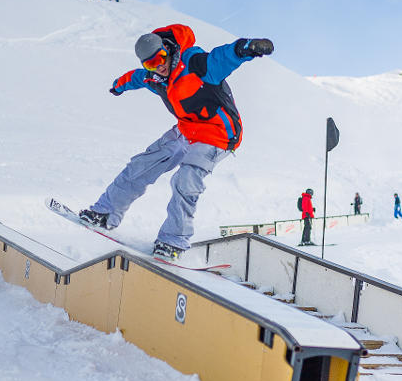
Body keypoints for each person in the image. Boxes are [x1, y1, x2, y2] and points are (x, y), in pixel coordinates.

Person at [79, 24, 274, 258]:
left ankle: (174, 240)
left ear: (168, 50)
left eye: (161, 58)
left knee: (185, 180)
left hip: (218, 133)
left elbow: (223, 57)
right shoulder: (155, 77)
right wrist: (118, 86)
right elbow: (135, 78)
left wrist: (247, 47)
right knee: (141, 166)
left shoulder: (196, 64)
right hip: (186, 130)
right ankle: (105, 213)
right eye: (151, 63)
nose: (159, 66)